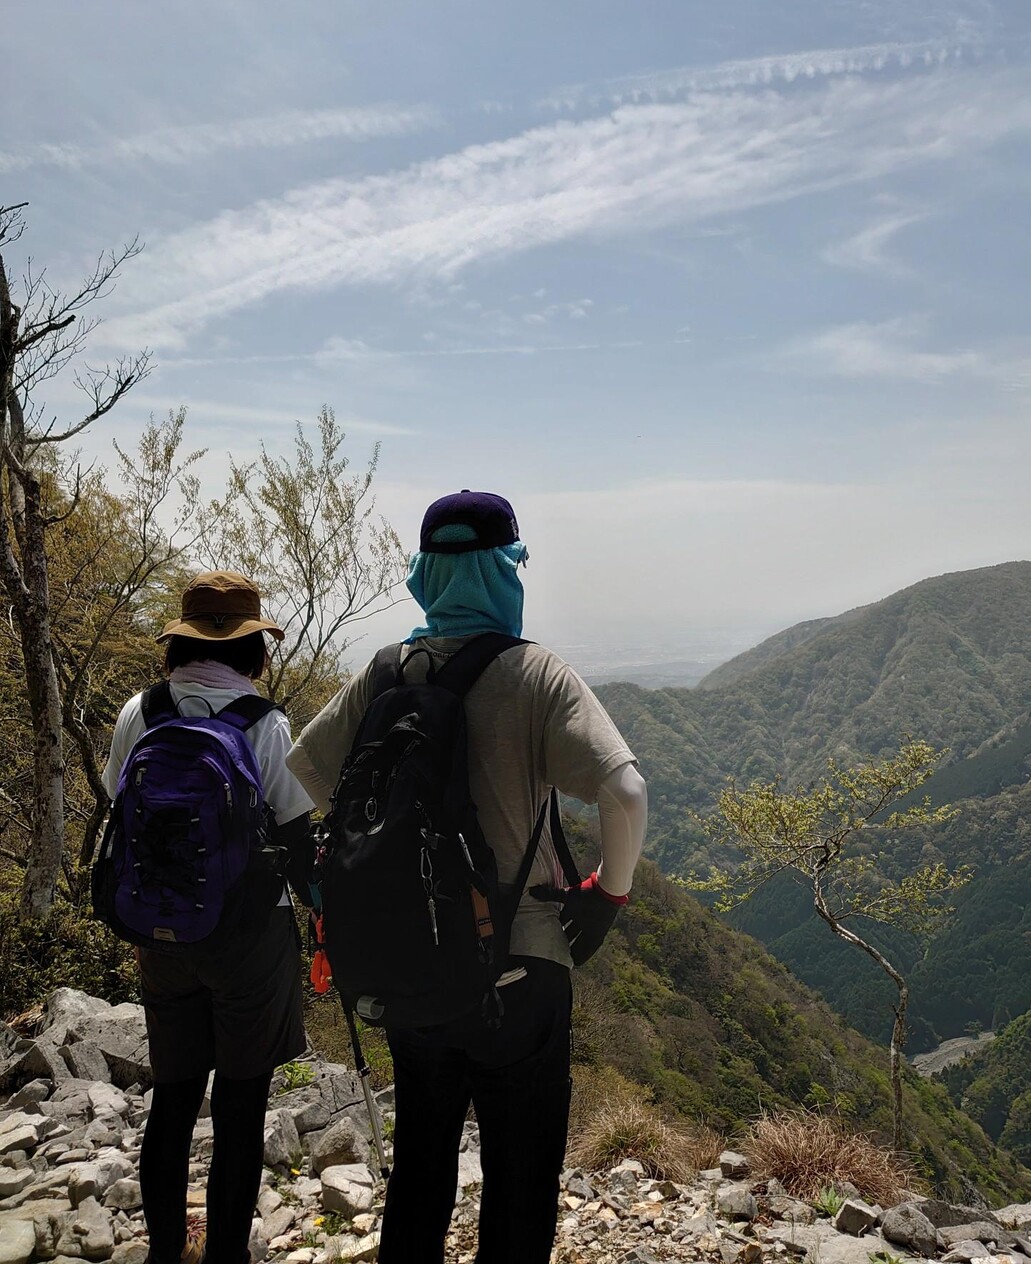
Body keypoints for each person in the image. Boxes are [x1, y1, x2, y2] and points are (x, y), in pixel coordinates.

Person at [287, 489, 648, 1264]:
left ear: (426, 574)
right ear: (505, 569)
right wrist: (609, 893)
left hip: (410, 963)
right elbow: (625, 792)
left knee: (422, 1165)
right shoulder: (533, 673)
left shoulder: (386, 671)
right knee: (521, 1178)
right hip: (521, 966)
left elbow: (299, 778)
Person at [102, 571, 316, 1264]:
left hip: (160, 929)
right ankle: (226, 1255)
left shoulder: (139, 711)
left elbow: (117, 801)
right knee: (241, 1107)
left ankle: (166, 1252)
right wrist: (325, 916)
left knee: (173, 1098)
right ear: (254, 647)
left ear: (180, 643)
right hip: (249, 938)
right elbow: (296, 836)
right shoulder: (266, 724)